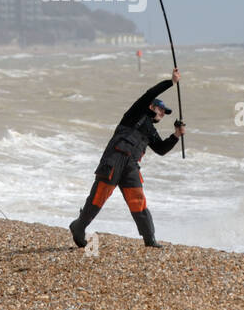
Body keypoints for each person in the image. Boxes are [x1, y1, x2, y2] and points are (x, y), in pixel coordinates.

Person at [70, 67, 185, 249]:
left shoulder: (151, 132)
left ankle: (150, 239)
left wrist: (176, 135)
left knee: (138, 201)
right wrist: (170, 82)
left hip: (131, 166)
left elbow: (161, 149)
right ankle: (78, 227)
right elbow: (150, 93)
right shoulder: (136, 113)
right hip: (114, 160)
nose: (163, 113)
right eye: (161, 109)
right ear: (151, 106)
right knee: (98, 198)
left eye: (165, 112)